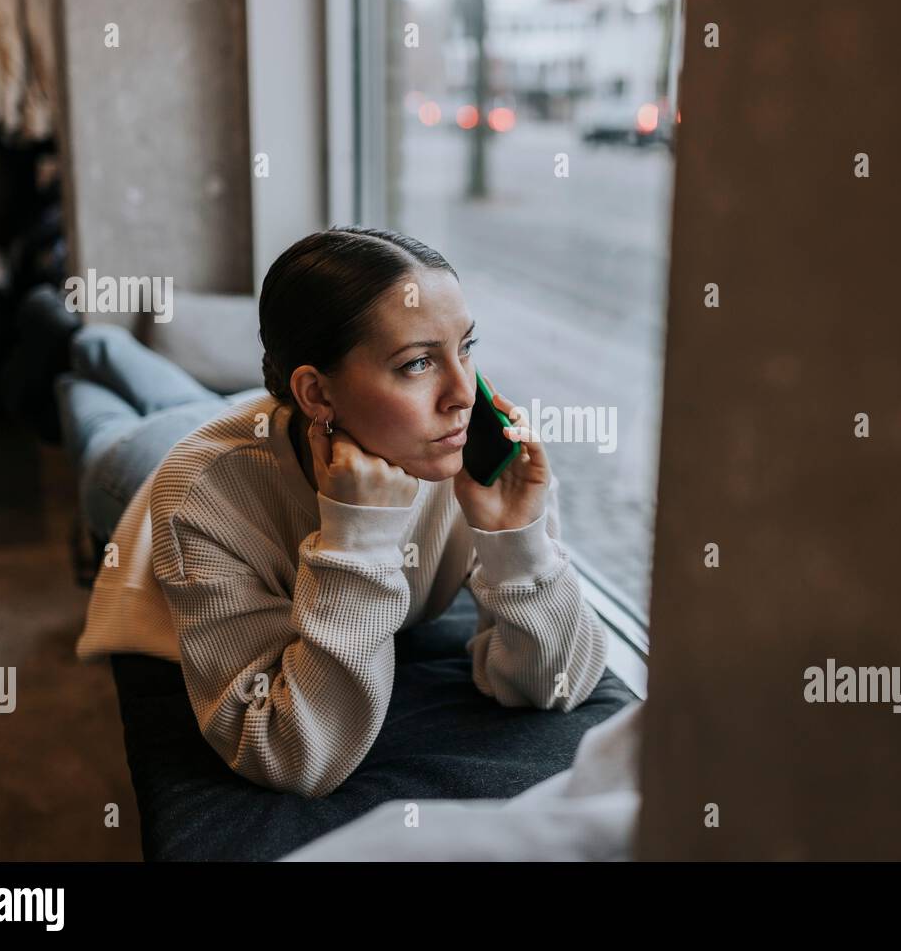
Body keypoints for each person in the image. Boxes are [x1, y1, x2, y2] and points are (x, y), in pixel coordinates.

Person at [73, 226, 611, 799]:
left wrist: (517, 539)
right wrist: (360, 539)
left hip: (265, 419)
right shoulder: (201, 495)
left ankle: (97, 348)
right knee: (101, 417)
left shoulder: (474, 452)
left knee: (163, 390)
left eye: (466, 348)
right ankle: (81, 341)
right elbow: (292, 754)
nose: (464, 395)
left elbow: (554, 685)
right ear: (319, 394)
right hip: (145, 460)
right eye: (417, 364)